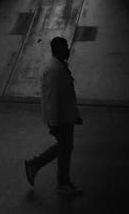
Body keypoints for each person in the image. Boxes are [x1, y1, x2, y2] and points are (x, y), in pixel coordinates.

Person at [24, 36, 84, 195]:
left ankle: (38, 167)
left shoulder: (57, 67)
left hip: (64, 117)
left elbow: (65, 95)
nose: (68, 50)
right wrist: (55, 123)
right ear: (58, 50)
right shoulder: (54, 70)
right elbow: (53, 99)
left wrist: (74, 115)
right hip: (61, 120)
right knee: (65, 149)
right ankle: (61, 183)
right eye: (65, 48)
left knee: (65, 147)